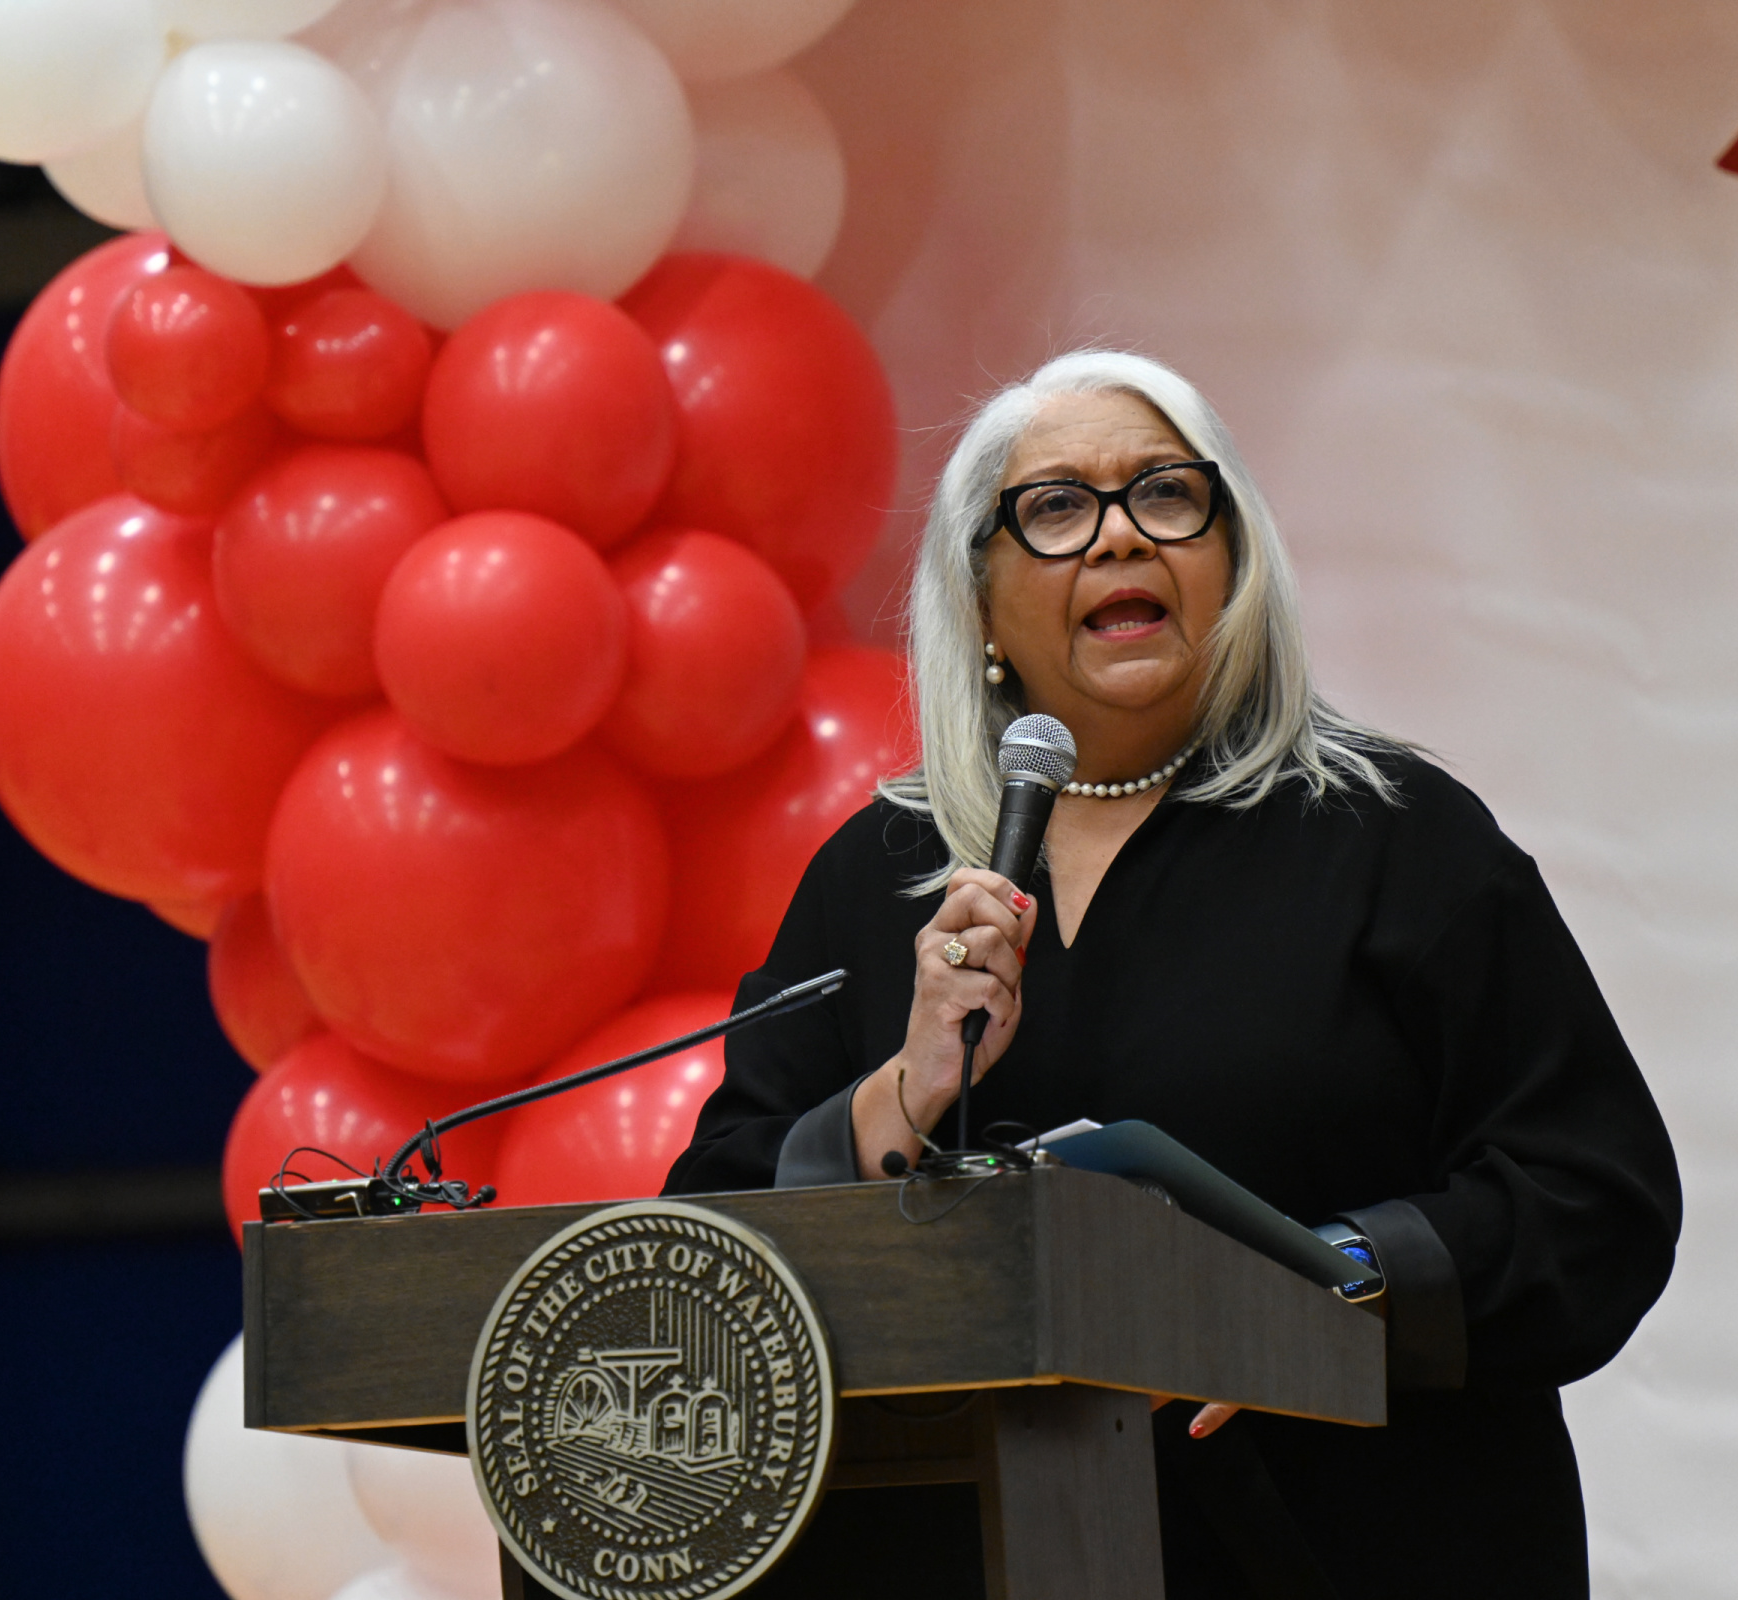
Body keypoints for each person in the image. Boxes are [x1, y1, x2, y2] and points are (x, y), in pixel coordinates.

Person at [665, 349, 1681, 1597]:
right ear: (979, 600)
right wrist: (904, 1091)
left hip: (1356, 1544)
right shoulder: (874, 877)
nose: (1118, 539)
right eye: (1054, 509)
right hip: (975, 1552)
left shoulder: (1396, 836)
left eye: (1164, 494)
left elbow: (1593, 1200)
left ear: (1231, 557)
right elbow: (708, 1251)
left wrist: (1313, 1286)